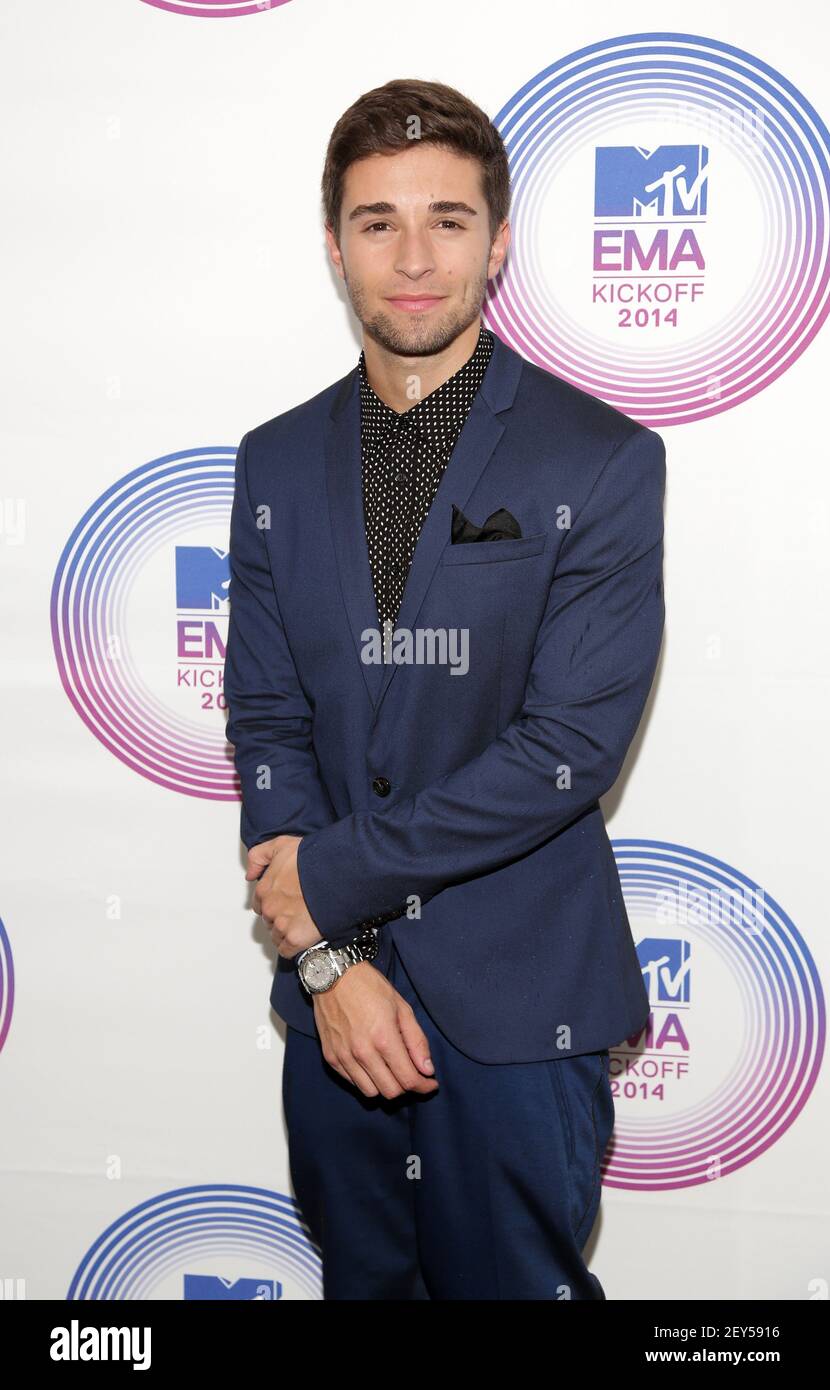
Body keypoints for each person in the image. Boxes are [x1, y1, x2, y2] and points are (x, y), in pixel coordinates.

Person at [224, 77, 666, 1300]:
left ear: (499, 239)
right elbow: (267, 721)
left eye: (447, 219)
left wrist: (319, 890)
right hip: (334, 1009)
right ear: (334, 246)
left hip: (520, 1003)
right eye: (376, 222)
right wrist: (329, 964)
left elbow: (564, 751)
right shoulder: (272, 460)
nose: (412, 258)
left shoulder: (602, 459)